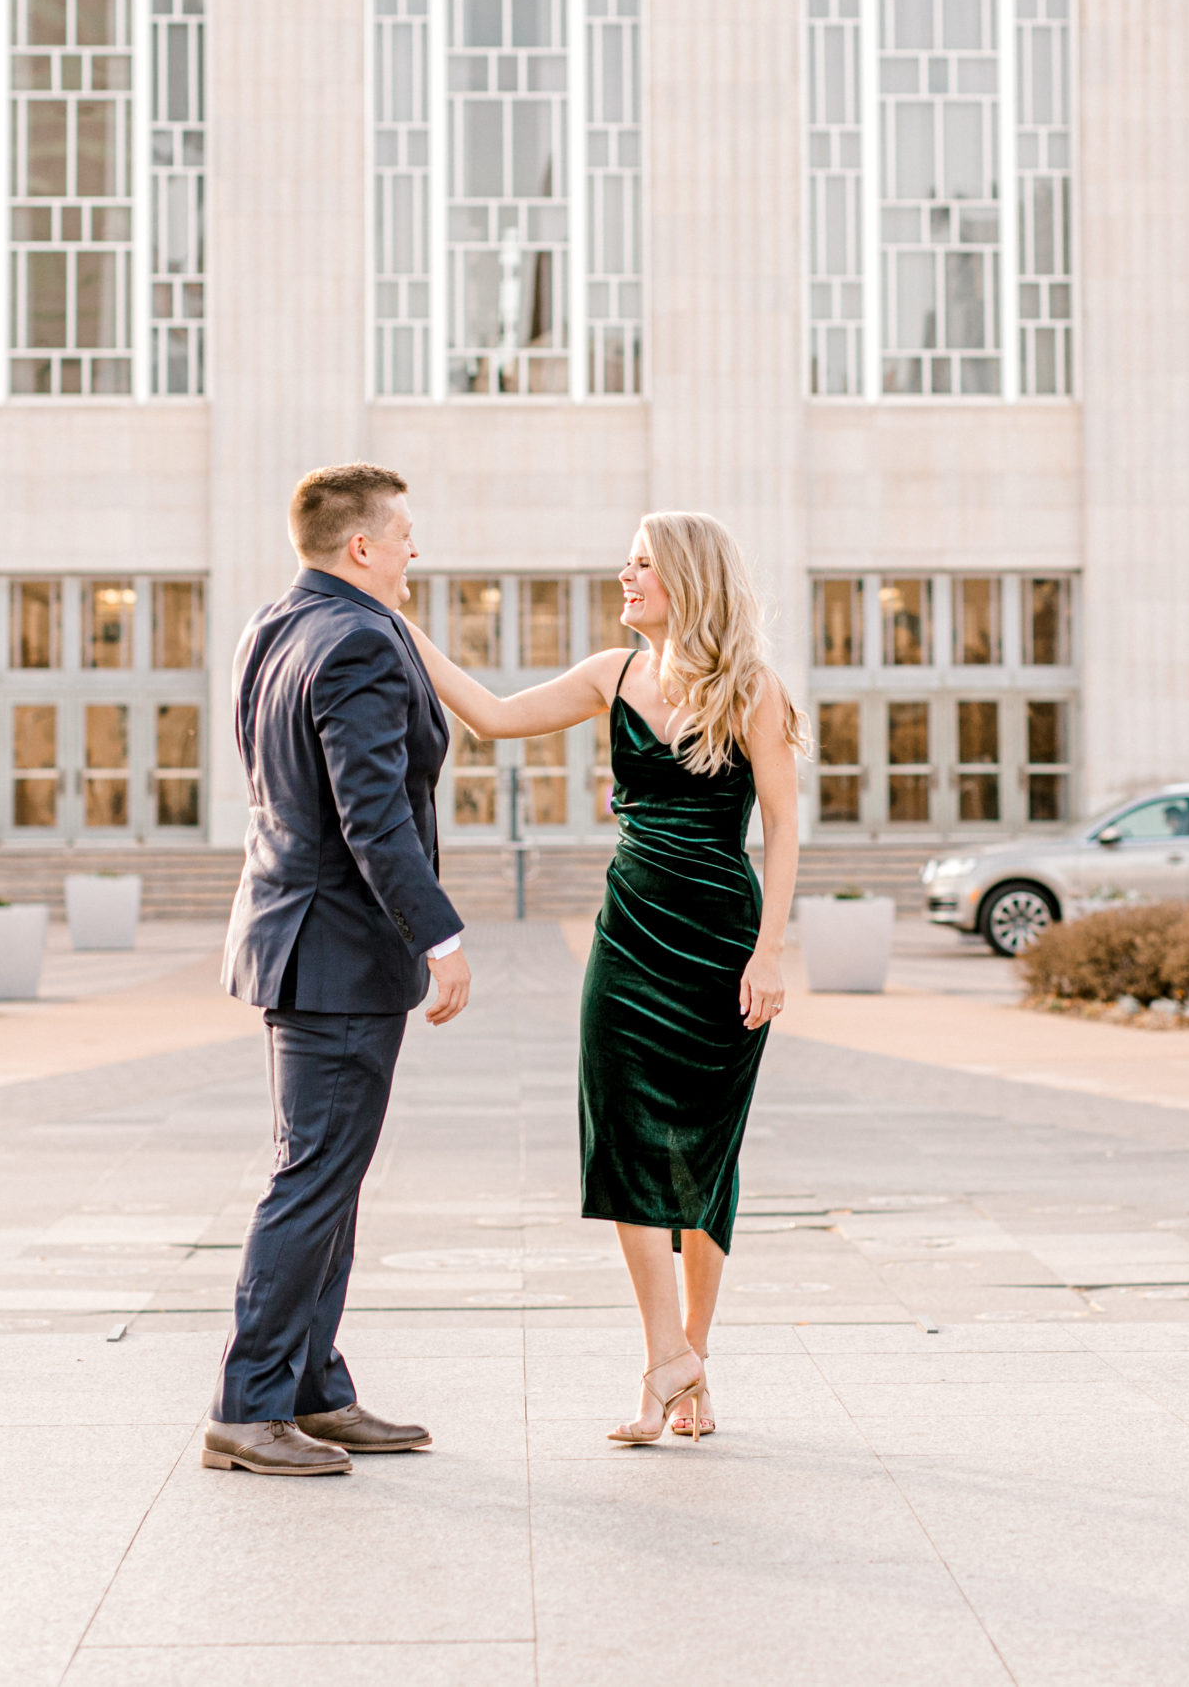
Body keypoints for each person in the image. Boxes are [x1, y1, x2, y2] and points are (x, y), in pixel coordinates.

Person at [403, 512, 802, 1445]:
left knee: (704, 1152)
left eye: (642, 566)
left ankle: (689, 1362)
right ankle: (665, 1356)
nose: (624, 578)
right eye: (625, 562)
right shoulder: (610, 674)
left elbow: (782, 826)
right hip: (628, 936)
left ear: (689, 581)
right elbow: (495, 715)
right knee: (620, 1135)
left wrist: (770, 950)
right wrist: (393, 620)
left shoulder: (752, 691)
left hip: (720, 939)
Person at [204, 463, 474, 1477]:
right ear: (360, 547)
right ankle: (248, 1407)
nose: (414, 549)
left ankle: (313, 1390)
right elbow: (373, 816)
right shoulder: (359, 639)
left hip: (295, 939)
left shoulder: (276, 625)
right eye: (403, 533)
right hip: (335, 954)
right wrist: (437, 936)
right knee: (311, 1174)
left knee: (329, 1174)